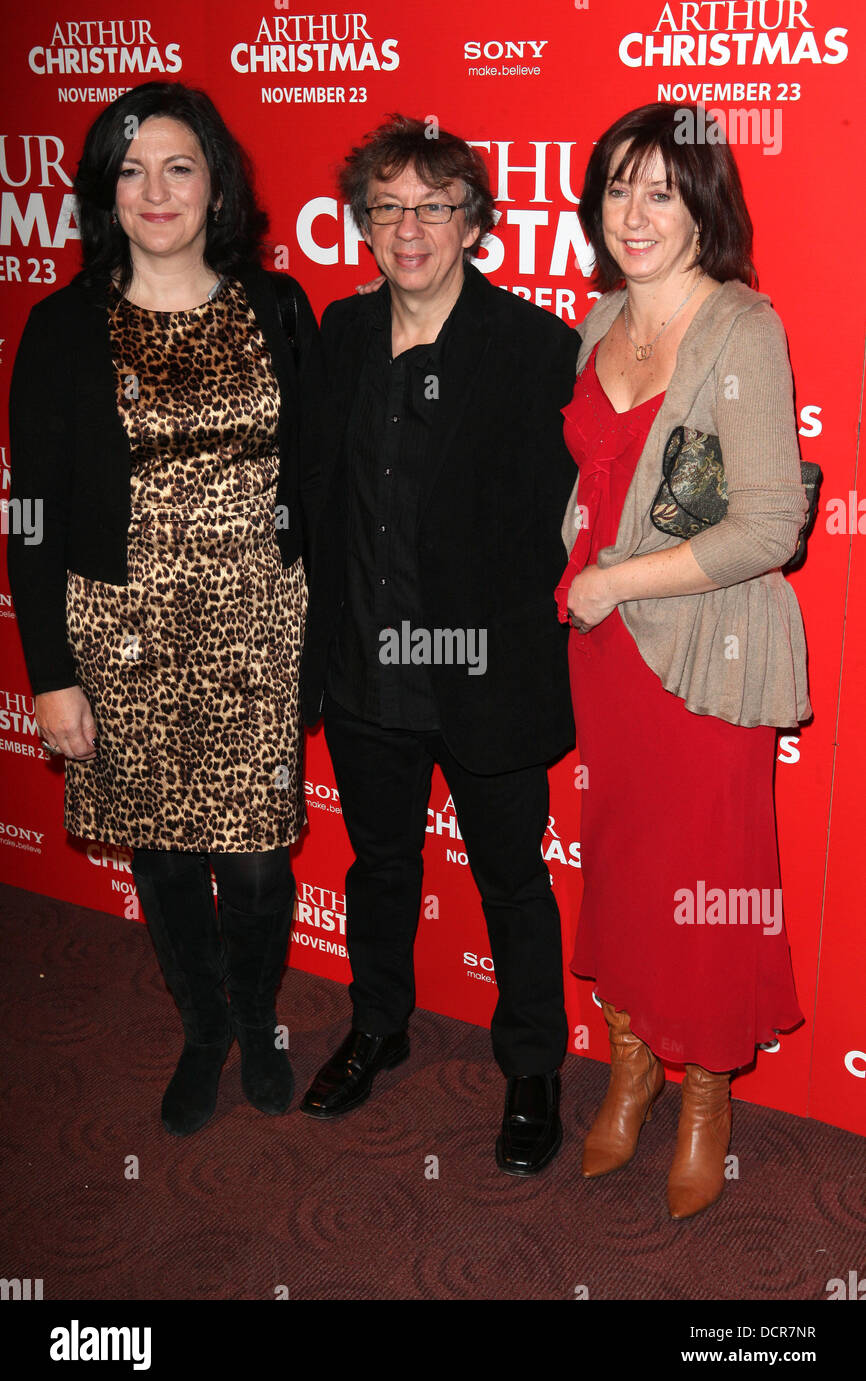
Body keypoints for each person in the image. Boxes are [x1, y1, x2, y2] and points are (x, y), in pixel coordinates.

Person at [8, 81, 323, 1137]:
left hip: (257, 626)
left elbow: (317, 482)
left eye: (178, 166)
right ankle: (204, 1028)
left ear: (214, 183)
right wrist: (50, 673)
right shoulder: (61, 328)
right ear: (105, 191)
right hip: (123, 634)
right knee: (165, 849)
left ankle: (262, 1018)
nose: (156, 190)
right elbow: (38, 515)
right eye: (132, 170)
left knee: (257, 853)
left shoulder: (276, 307)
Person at [300, 114, 579, 1174]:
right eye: (385, 206)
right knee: (377, 865)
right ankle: (378, 1026)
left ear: (471, 221)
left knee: (510, 878)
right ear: (361, 224)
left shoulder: (532, 348)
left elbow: (555, 522)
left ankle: (532, 1067)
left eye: (432, 204)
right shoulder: (338, 332)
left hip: (479, 672)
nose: (407, 226)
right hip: (365, 666)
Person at [555, 102, 809, 1218]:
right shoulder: (595, 321)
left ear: (702, 206)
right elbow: (598, 475)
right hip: (604, 660)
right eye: (617, 187)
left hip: (705, 660)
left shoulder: (740, 328)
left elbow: (767, 529)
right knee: (618, 863)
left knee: (709, 884)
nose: (634, 211)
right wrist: (574, 558)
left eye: (661, 189)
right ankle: (630, 1062)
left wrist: (612, 580)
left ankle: (705, 1095)